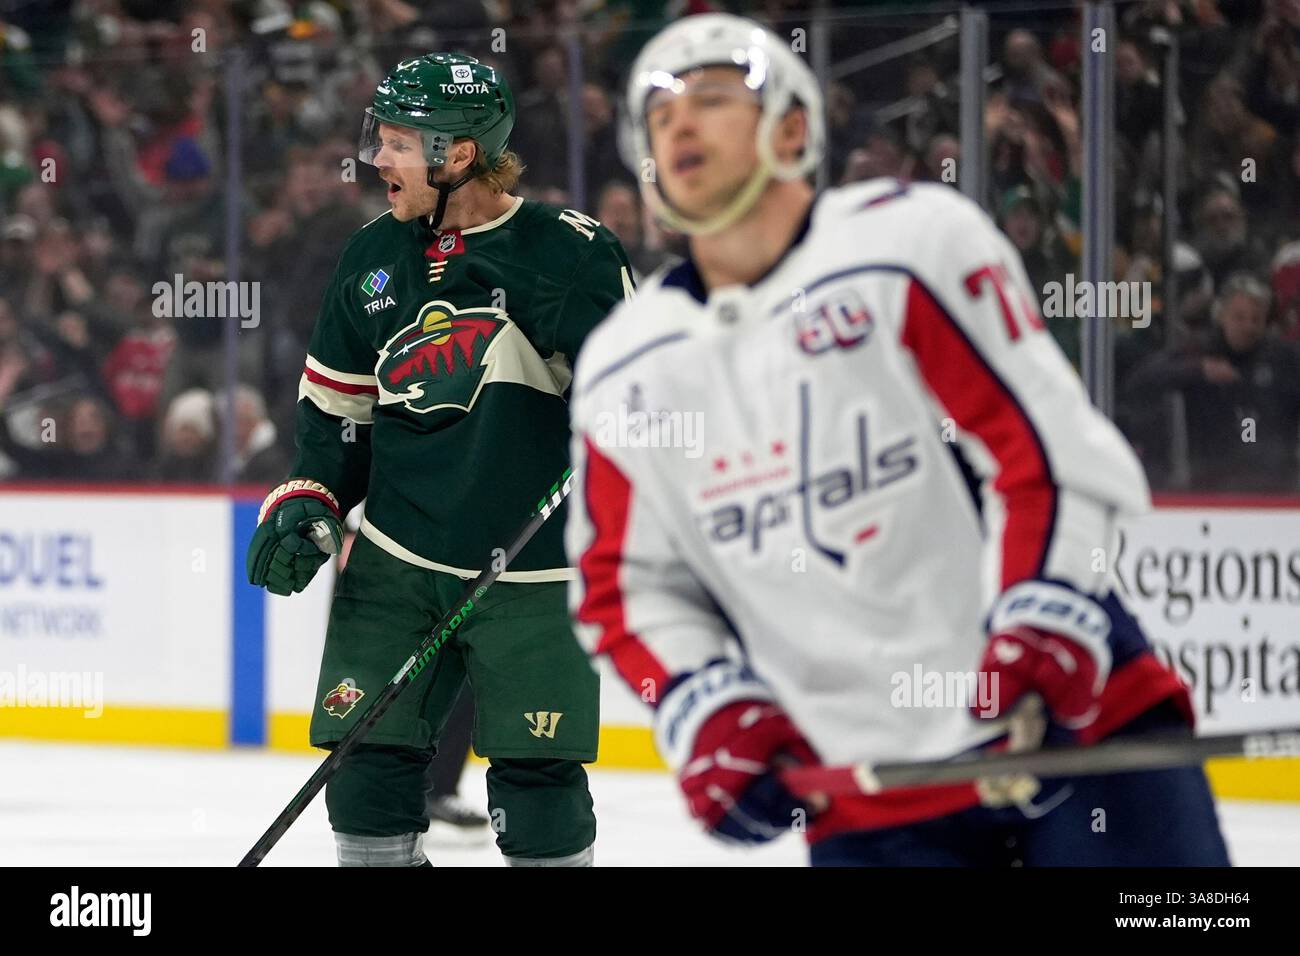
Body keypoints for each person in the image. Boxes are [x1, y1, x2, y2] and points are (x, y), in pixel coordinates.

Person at [564, 14, 1229, 867]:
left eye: (713, 98)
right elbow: (625, 584)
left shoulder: (906, 245)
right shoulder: (629, 362)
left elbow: (1040, 449)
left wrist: (1041, 611)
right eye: (659, 116)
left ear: (793, 127)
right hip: (871, 796)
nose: (681, 123)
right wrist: (705, 701)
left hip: (1078, 736)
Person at [245, 53, 632, 867]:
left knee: (538, 789)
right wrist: (311, 494)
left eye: (394, 142)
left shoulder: (572, 254)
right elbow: (336, 413)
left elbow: (637, 405)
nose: (376, 159)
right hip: (394, 560)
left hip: (535, 572)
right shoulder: (367, 258)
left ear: (457, 156)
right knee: (364, 776)